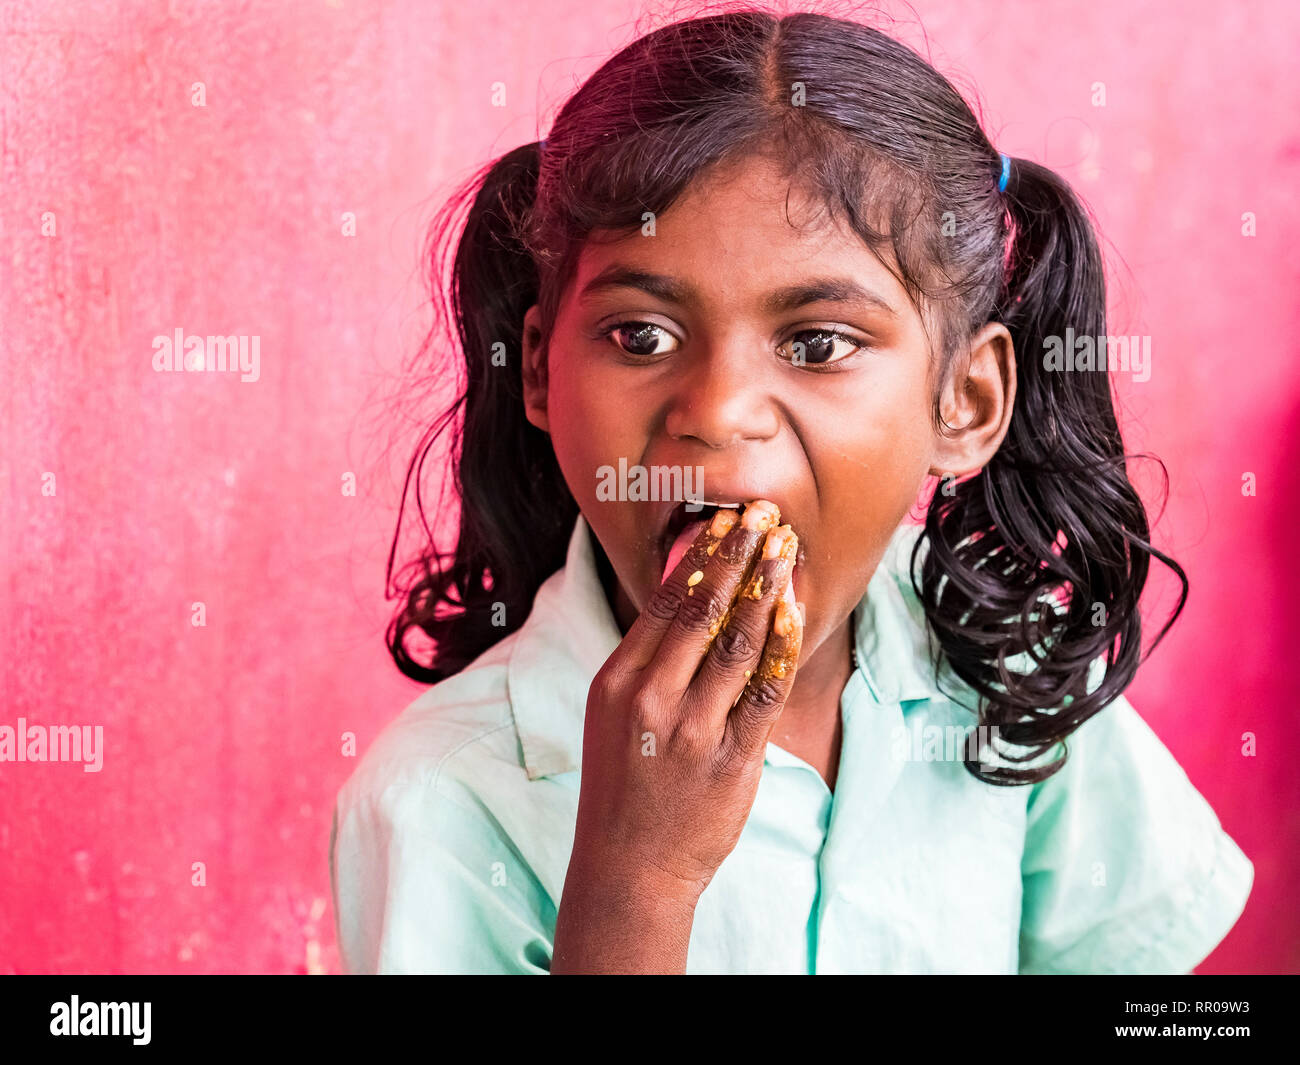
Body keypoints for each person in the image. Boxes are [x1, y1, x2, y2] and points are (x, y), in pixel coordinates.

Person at [330, 9, 1252, 974]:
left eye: (818, 343)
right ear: (537, 372)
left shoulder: (1005, 666)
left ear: (964, 401)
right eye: (640, 334)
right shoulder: (442, 799)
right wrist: (635, 877)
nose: (720, 413)